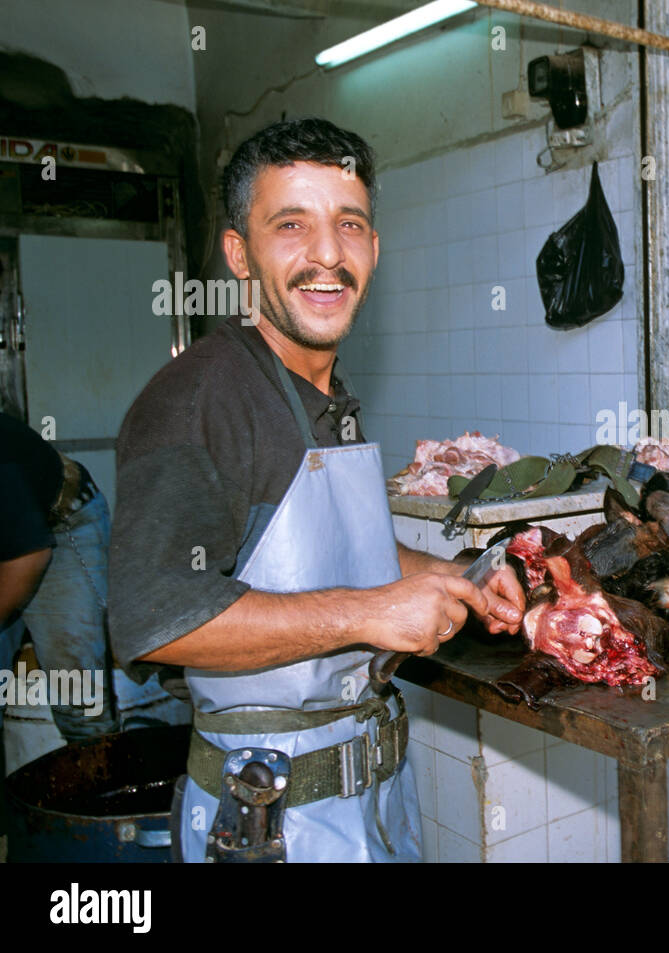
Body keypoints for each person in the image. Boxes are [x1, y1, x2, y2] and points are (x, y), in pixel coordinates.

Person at [108, 118, 524, 863]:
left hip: (369, 798)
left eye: (350, 225)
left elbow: (331, 548)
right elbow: (156, 617)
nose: (327, 254)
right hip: (268, 821)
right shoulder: (200, 397)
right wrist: (372, 612)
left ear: (374, 247)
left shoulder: (319, 392)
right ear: (239, 253)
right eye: (291, 225)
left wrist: (459, 579)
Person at [1, 411, 119, 741]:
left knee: (77, 696)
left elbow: (28, 557)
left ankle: (95, 777)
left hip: (62, 522)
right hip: (12, 540)